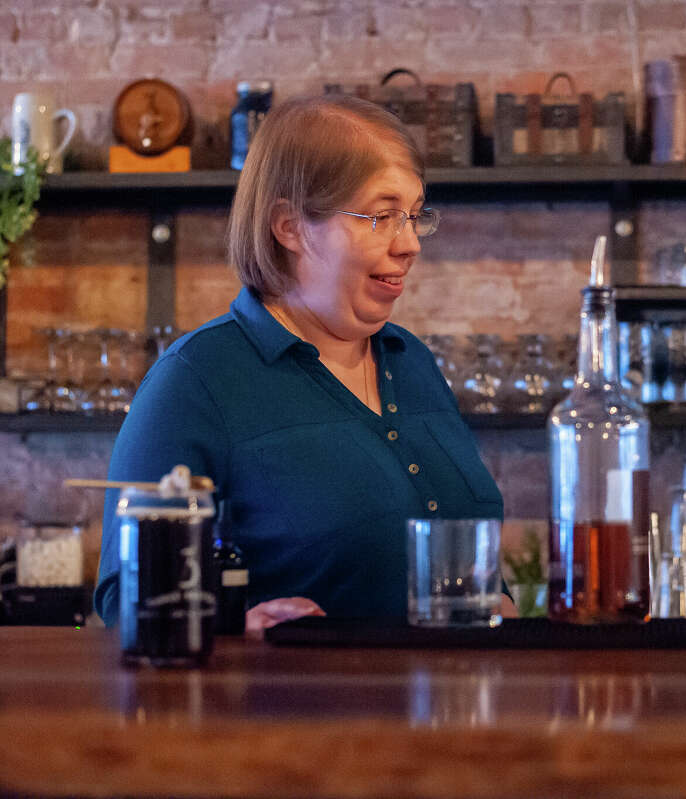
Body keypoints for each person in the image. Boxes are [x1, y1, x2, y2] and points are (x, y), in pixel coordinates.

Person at [95, 94, 510, 635]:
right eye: (382, 216)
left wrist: (500, 604)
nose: (409, 244)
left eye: (413, 216)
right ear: (289, 226)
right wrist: (236, 630)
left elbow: (465, 564)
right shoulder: (196, 379)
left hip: (454, 713)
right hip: (291, 716)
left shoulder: (413, 364)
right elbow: (121, 597)